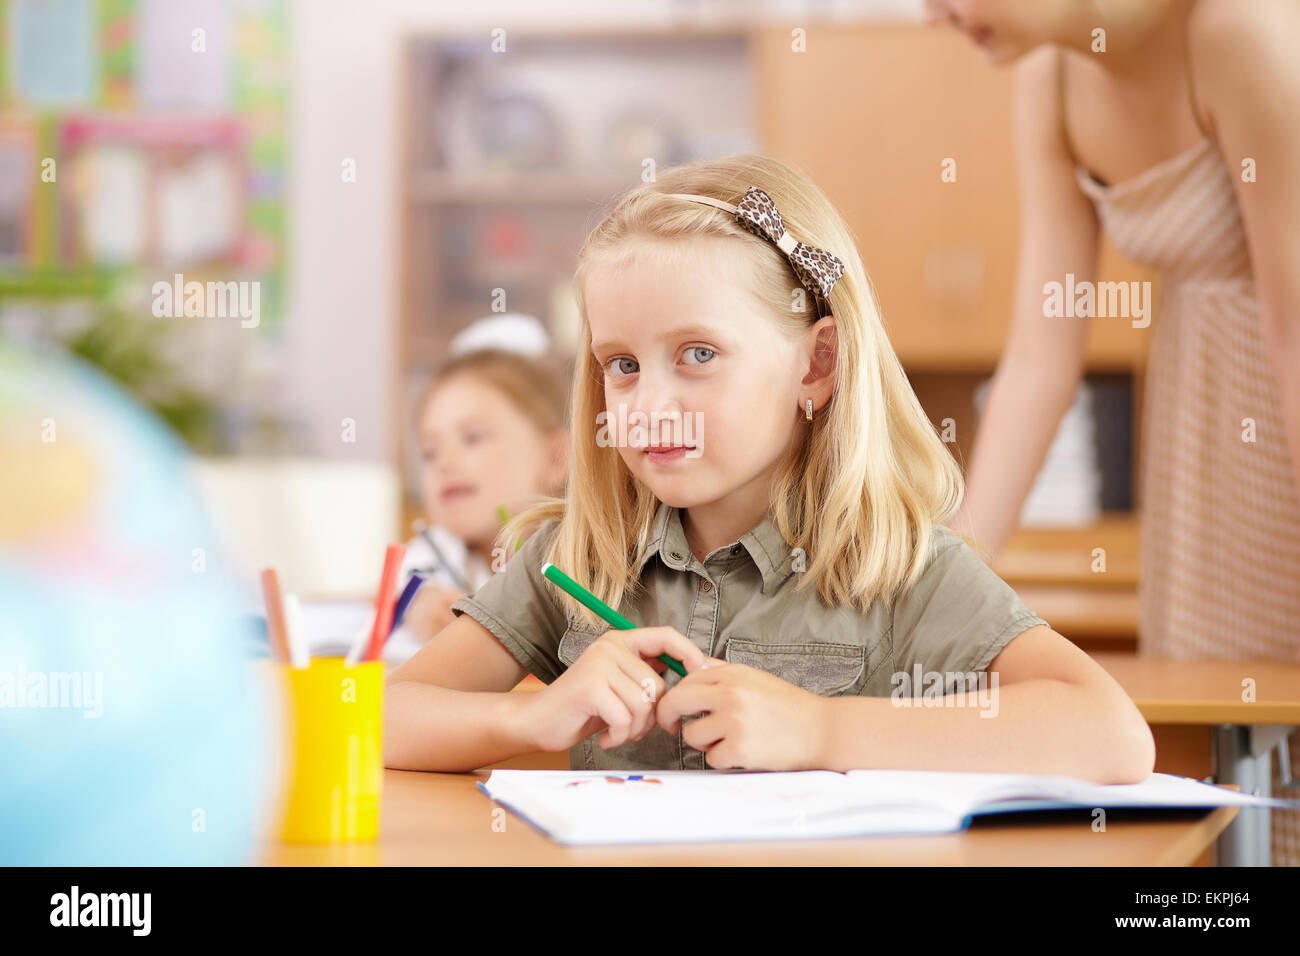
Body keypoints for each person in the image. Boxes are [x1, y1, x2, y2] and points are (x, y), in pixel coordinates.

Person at [384, 152, 1155, 781]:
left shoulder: (897, 568)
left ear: (816, 366)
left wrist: (820, 728)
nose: (650, 402)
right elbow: (381, 718)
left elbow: (1112, 736)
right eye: (621, 364)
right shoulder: (578, 557)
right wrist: (525, 717)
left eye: (698, 354)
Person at [926, 0, 1300, 863]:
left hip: (1280, 422)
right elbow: (1038, 359)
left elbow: (1292, 333)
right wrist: (942, 586)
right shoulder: (1050, 78)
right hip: (1202, 450)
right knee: (1236, 765)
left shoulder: (1234, 32)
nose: (931, 14)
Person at [384, 346, 569, 663]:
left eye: (472, 438)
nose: (444, 462)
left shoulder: (581, 551)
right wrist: (417, 605)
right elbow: (392, 592)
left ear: (555, 458)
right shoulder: (435, 551)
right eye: (429, 452)